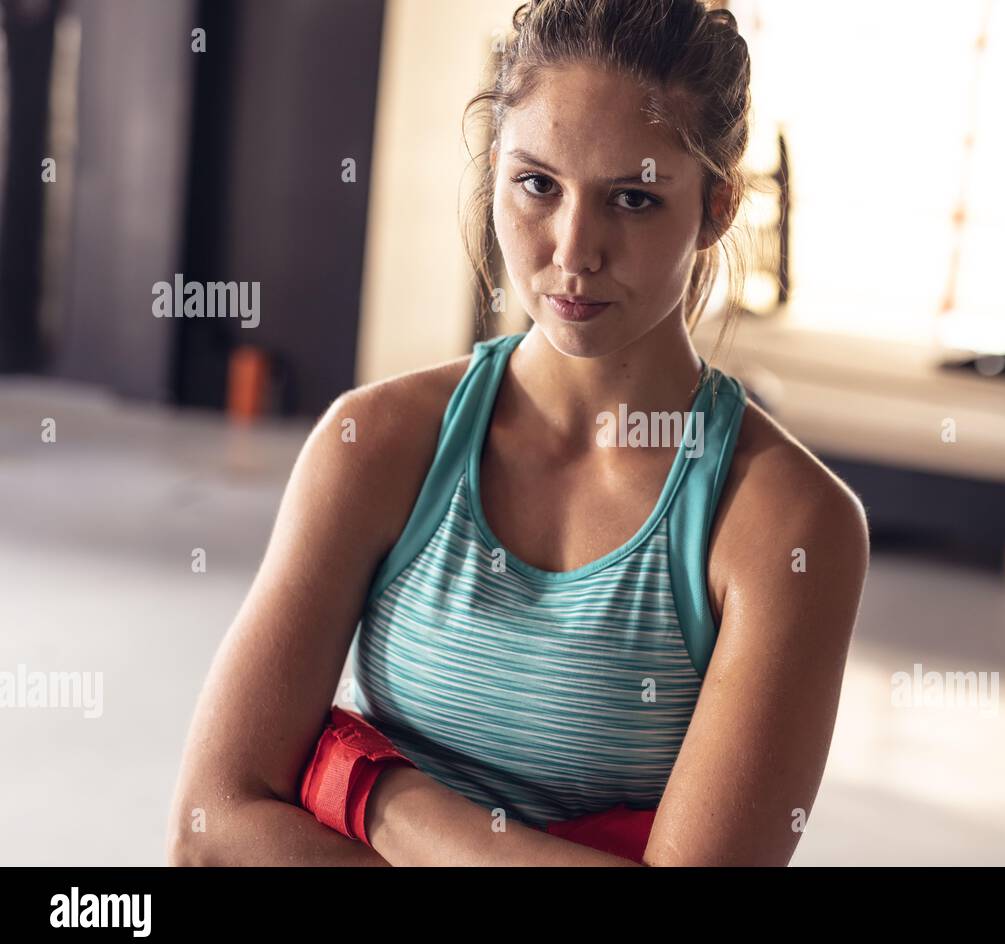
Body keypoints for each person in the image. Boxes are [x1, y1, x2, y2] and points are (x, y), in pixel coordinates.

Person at [168, 0, 869, 867]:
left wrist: (377, 793)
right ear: (495, 168)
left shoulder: (786, 525)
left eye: (635, 198)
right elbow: (210, 833)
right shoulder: (378, 443)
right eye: (538, 184)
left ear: (717, 207)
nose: (574, 250)